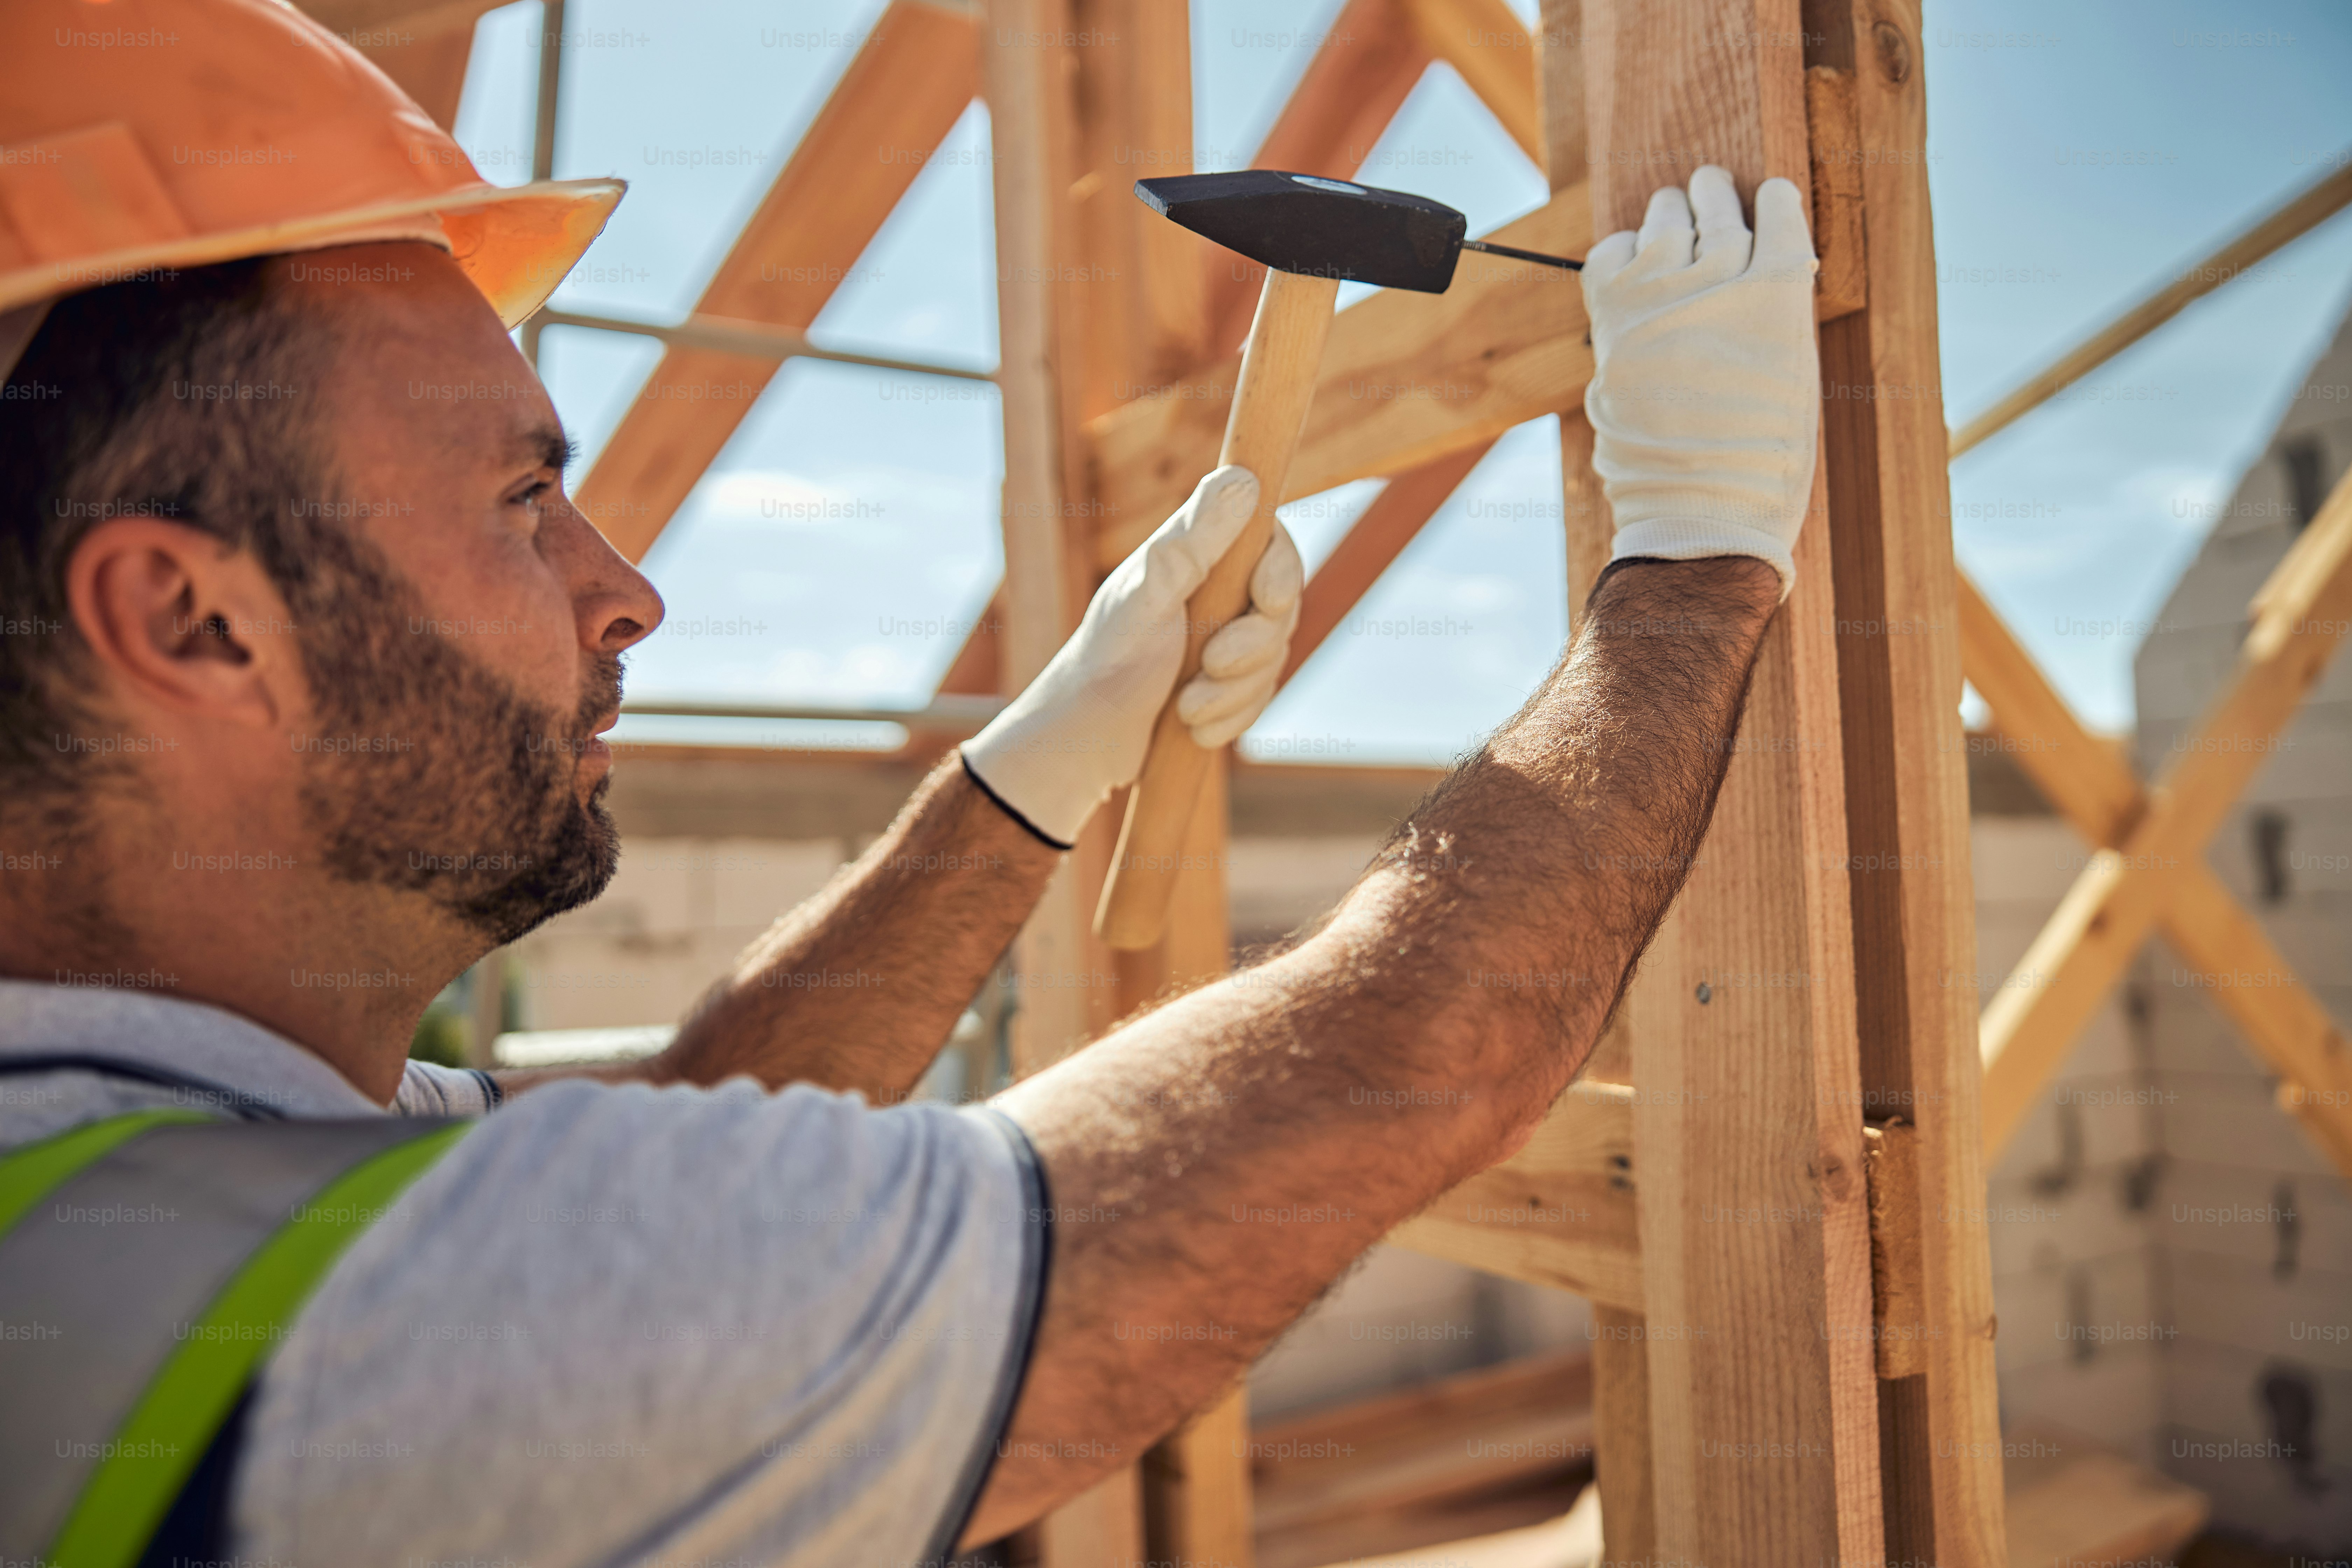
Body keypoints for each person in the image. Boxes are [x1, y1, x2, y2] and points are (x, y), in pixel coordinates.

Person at [0, 2, 1823, 1564]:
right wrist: (1695, 562)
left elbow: (697, 1118)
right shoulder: (283, 1326)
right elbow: (1361, 1094)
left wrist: (1030, 771)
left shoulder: (141, 1161)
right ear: (190, 617)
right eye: (521, 502)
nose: (626, 588)